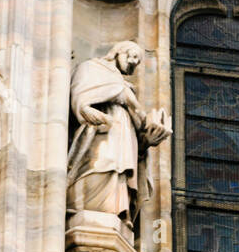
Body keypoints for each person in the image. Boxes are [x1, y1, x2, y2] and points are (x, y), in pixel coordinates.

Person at [66, 40, 170, 229]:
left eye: (137, 61)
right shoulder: (91, 68)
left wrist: (146, 140)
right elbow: (79, 98)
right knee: (101, 165)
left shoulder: (127, 88)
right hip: (99, 132)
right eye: (130, 55)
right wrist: (119, 94)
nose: (132, 61)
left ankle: (116, 214)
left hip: (123, 136)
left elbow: (137, 117)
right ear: (117, 52)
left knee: (119, 172)